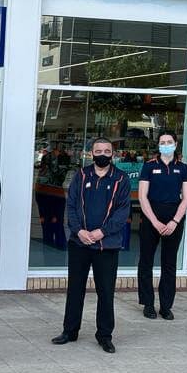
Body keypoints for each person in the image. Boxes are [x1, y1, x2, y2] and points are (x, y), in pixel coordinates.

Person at [52, 137, 131, 354]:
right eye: (98, 151)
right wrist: (79, 231)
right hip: (80, 242)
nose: (103, 154)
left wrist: (101, 232)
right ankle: (70, 331)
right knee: (75, 289)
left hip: (107, 246)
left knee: (106, 292)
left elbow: (122, 212)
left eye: (107, 151)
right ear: (91, 153)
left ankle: (104, 335)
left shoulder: (121, 179)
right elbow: (72, 206)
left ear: (113, 154)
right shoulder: (82, 175)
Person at [136, 132, 187, 320]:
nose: (166, 145)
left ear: (176, 144)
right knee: (146, 261)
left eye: (169, 142)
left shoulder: (184, 169)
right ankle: (148, 304)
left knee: (169, 263)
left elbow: (186, 198)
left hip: (173, 220)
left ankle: (166, 306)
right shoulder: (149, 166)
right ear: (158, 145)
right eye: (162, 142)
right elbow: (142, 196)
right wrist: (154, 221)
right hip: (151, 217)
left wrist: (175, 221)